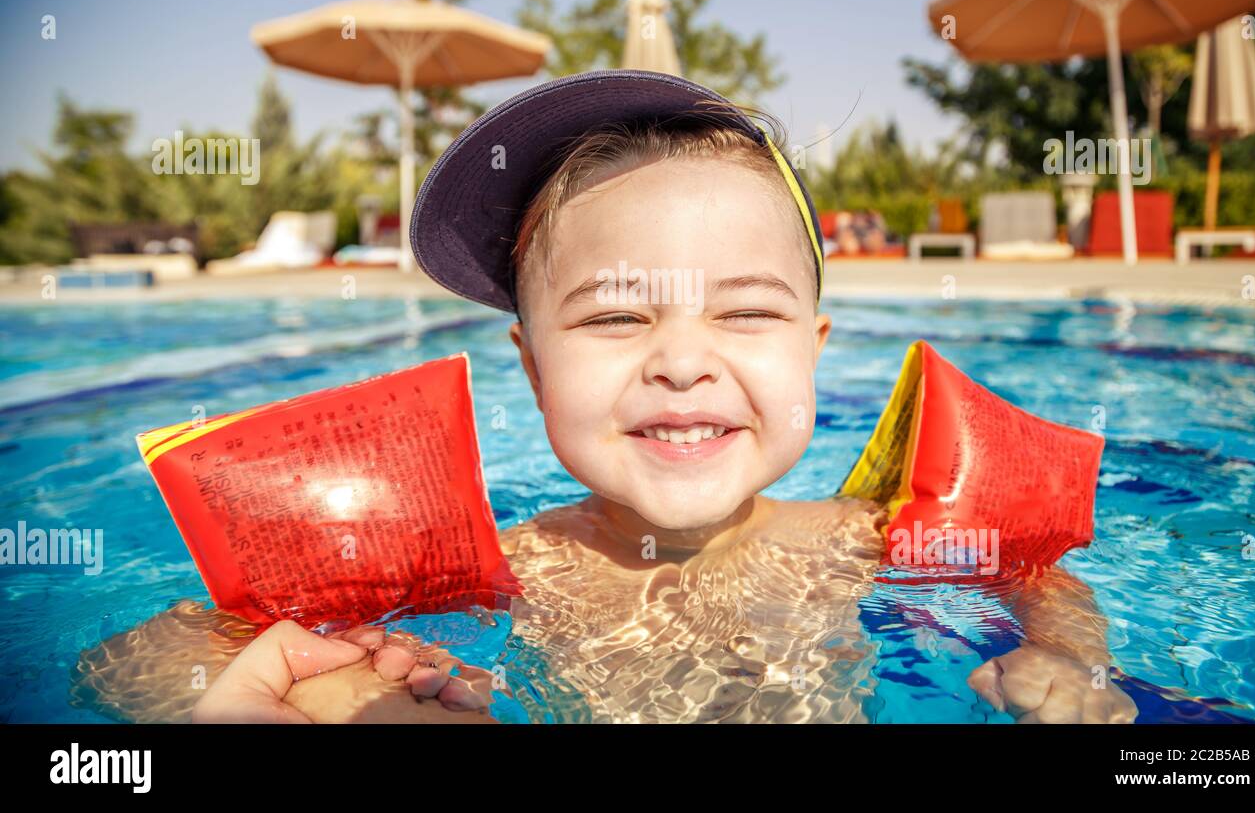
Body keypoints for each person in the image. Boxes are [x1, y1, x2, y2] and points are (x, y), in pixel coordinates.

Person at [75, 71, 1136, 724]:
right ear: (533, 370)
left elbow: (1037, 576)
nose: (680, 360)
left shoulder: (858, 539)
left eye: (744, 312)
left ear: (813, 353)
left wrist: (1061, 656)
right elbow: (137, 655)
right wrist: (345, 695)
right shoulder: (511, 571)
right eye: (614, 317)